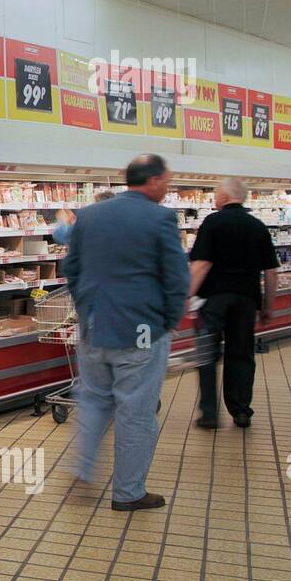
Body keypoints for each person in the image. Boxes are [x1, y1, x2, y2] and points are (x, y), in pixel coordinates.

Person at [62, 154, 189, 511]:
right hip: (142, 330)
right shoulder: (160, 218)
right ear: (152, 181)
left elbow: (70, 268)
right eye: (166, 181)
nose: (167, 188)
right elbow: (177, 278)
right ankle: (128, 492)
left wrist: (87, 309)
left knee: (93, 402)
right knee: (136, 410)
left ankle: (83, 473)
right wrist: (168, 321)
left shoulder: (88, 216)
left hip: (93, 327)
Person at [188, 177, 279, 430]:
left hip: (213, 301)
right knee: (241, 353)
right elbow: (271, 272)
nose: (215, 199)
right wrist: (268, 306)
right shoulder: (257, 226)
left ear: (226, 197)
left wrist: (187, 296)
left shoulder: (213, 223)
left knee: (207, 355)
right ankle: (240, 410)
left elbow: (202, 264)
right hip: (246, 301)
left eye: (216, 194)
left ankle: (209, 413)